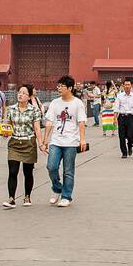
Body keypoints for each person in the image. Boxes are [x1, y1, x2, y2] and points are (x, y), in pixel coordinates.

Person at [44, 75, 87, 207]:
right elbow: (49, 121)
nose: (59, 88)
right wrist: (45, 139)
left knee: (68, 170)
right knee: (51, 167)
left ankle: (66, 196)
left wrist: (82, 140)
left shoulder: (77, 103)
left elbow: (81, 122)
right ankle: (57, 188)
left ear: (70, 88)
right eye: (58, 86)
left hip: (71, 142)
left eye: (62, 86)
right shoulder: (55, 103)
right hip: (56, 141)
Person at [1, 84, 43, 208]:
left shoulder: (34, 110)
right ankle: (11, 198)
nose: (20, 95)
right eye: (19, 92)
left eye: (24, 93)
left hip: (28, 143)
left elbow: (37, 128)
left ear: (29, 96)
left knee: (28, 172)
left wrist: (40, 143)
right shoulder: (11, 109)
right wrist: (5, 131)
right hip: (14, 142)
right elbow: (7, 124)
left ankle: (27, 196)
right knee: (12, 171)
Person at [114, 76, 133, 158]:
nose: (127, 86)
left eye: (128, 84)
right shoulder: (119, 96)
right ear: (123, 86)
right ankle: (124, 152)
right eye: (125, 85)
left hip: (130, 118)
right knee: (121, 136)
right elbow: (116, 108)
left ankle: (130, 145)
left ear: (131, 85)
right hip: (122, 117)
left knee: (131, 136)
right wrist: (115, 118)